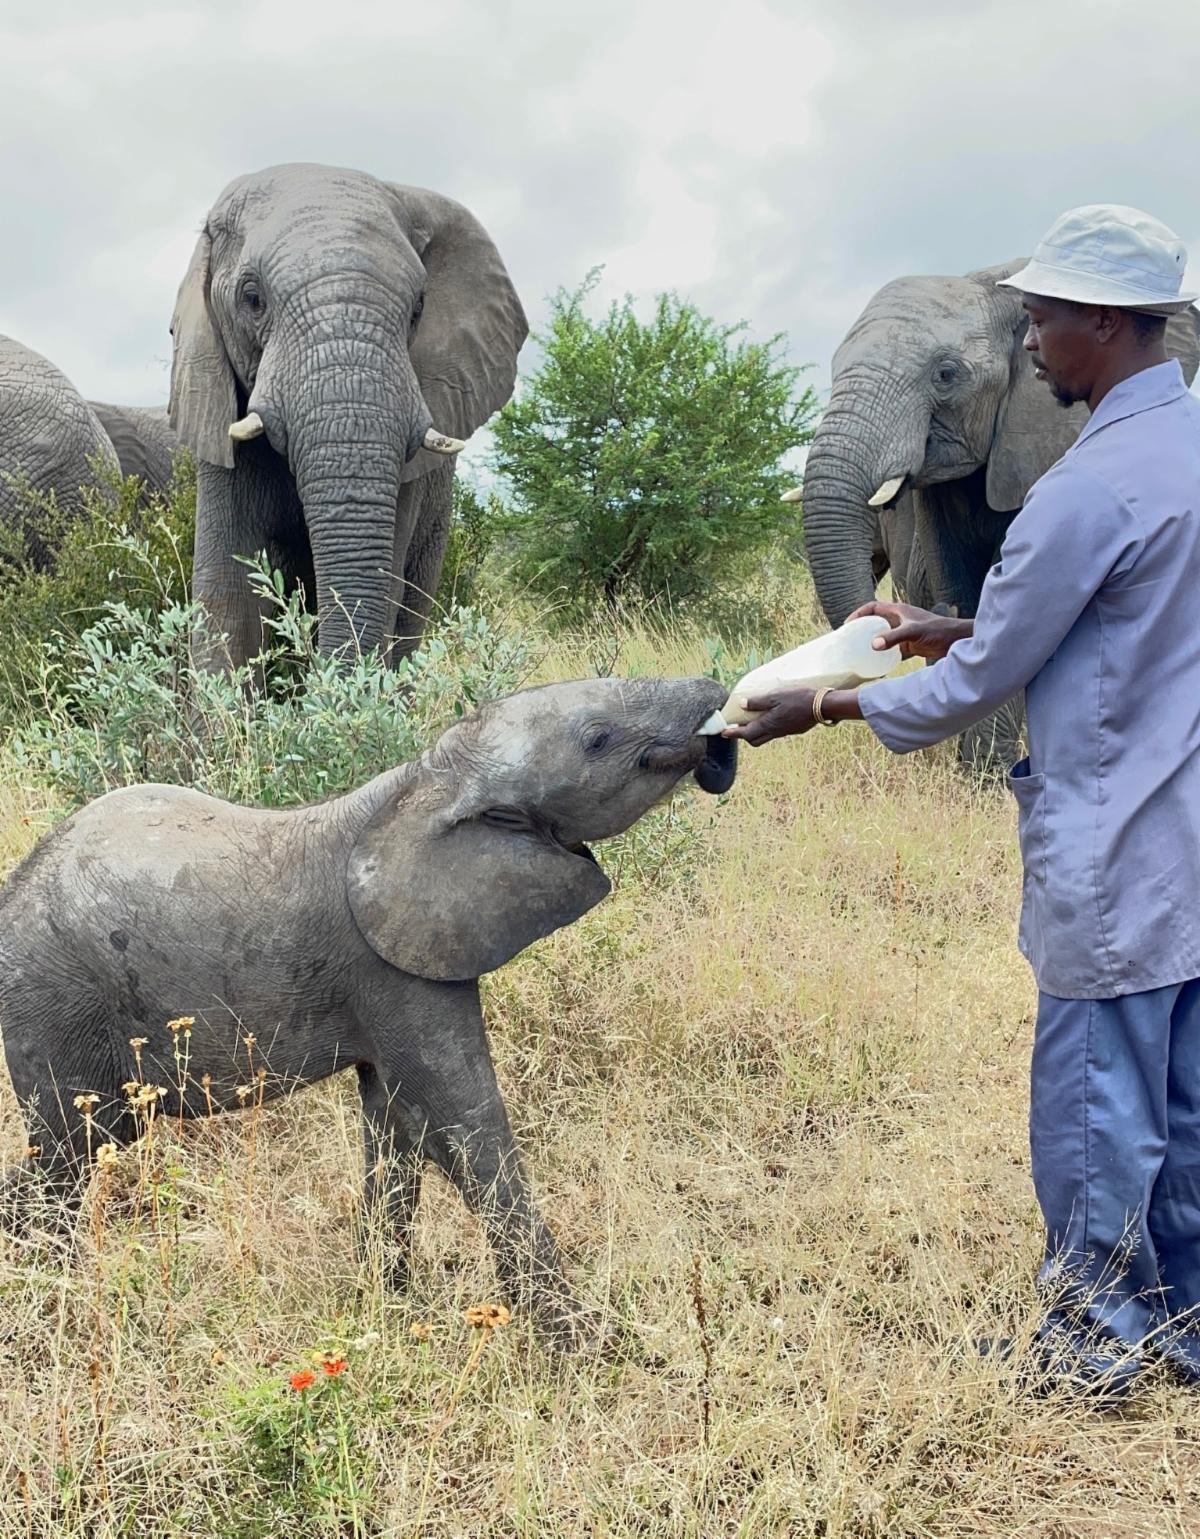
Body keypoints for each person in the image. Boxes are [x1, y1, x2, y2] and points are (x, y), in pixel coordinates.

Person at [725, 205, 1200, 1398]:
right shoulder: (1185, 451)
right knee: (1185, 1099)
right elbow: (1120, 618)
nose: (1032, 340)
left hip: (1113, 843)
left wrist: (819, 708)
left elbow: (980, 692)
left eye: (1044, 317)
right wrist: (954, 623)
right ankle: (1180, 1320)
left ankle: (1095, 1343)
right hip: (1185, 836)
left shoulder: (1081, 491)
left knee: (1097, 1099)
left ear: (1107, 322)